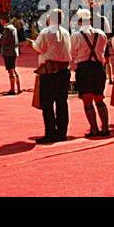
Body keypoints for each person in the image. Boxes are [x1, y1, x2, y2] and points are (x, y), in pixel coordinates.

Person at [31, 7, 72, 144]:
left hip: (49, 71)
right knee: (62, 102)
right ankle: (62, 132)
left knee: (47, 103)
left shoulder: (46, 32)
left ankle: (50, 132)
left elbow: (39, 48)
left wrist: (33, 44)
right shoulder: (66, 32)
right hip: (64, 70)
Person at [70, 7, 109, 137]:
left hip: (84, 69)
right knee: (99, 99)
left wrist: (74, 68)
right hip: (98, 67)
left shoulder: (76, 36)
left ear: (80, 22)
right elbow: (103, 51)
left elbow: (72, 55)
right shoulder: (101, 34)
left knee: (87, 101)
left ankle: (94, 129)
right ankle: (105, 128)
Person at [0, 15, 21, 95]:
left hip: (8, 51)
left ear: (4, 20)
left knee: (11, 70)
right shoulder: (12, 28)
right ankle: (18, 88)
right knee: (13, 69)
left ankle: (13, 89)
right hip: (13, 50)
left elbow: (4, 41)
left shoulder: (7, 29)